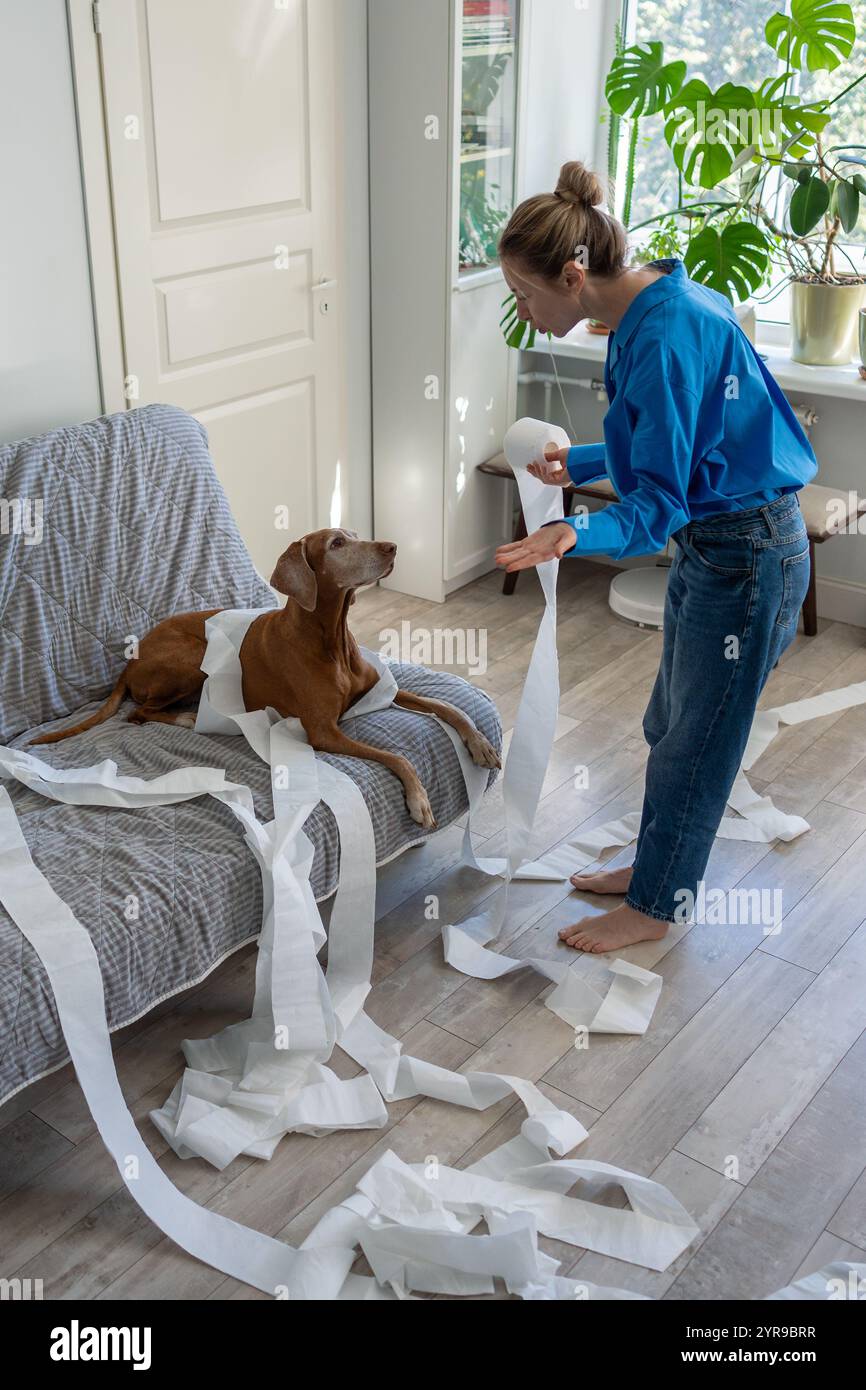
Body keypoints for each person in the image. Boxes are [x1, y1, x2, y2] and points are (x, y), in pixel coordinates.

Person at [495, 160, 817, 953]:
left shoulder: (661, 339)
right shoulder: (653, 304)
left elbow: (665, 499)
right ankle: (655, 866)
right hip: (725, 548)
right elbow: (677, 440)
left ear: (573, 275)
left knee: (697, 741)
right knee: (671, 722)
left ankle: (657, 905)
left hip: (746, 556)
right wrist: (590, 463)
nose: (521, 310)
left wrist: (575, 531)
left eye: (525, 294)